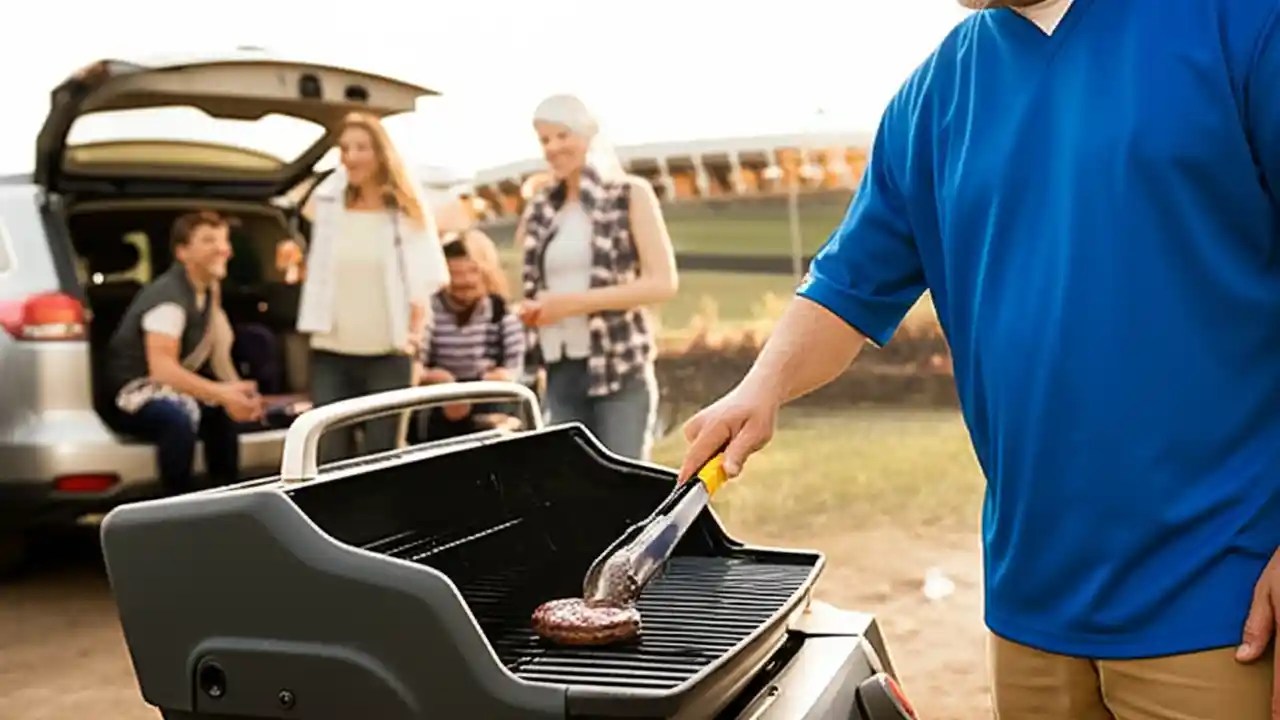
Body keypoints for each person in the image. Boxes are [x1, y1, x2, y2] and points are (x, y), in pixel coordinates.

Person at [680, 1, 1280, 718]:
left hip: (1226, 598)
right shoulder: (935, 94)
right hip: (1030, 602)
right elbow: (848, 286)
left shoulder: (1239, 22)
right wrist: (762, 387)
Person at [516, 94, 679, 461]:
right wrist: (535, 310)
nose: (553, 147)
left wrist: (572, 304)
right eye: (544, 140)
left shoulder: (628, 194)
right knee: (570, 491)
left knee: (624, 490)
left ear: (588, 135)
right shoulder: (543, 208)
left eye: (562, 135)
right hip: (560, 370)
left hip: (617, 367)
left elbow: (663, 282)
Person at [294, 112, 449, 462]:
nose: (350, 157)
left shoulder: (404, 215)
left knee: (382, 456)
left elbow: (423, 282)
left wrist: (414, 338)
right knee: (329, 455)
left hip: (388, 355)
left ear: (382, 153)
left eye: (361, 148)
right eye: (344, 148)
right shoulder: (328, 207)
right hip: (332, 352)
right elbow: (299, 204)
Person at [101, 210, 264, 494]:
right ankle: (175, 506)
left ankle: (228, 500)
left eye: (224, 240)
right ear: (182, 252)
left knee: (220, 416)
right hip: (133, 393)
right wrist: (222, 394)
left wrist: (238, 394)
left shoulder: (208, 290)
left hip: (169, 388)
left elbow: (218, 354)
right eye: (208, 241)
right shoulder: (169, 299)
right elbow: (162, 370)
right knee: (176, 421)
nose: (223, 249)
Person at [416, 233, 526, 439]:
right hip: (443, 395)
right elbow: (419, 361)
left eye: (472, 272)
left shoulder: (498, 311)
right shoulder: (430, 309)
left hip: (487, 392)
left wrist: (500, 377)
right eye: (456, 274)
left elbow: (515, 364)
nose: (465, 281)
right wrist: (437, 381)